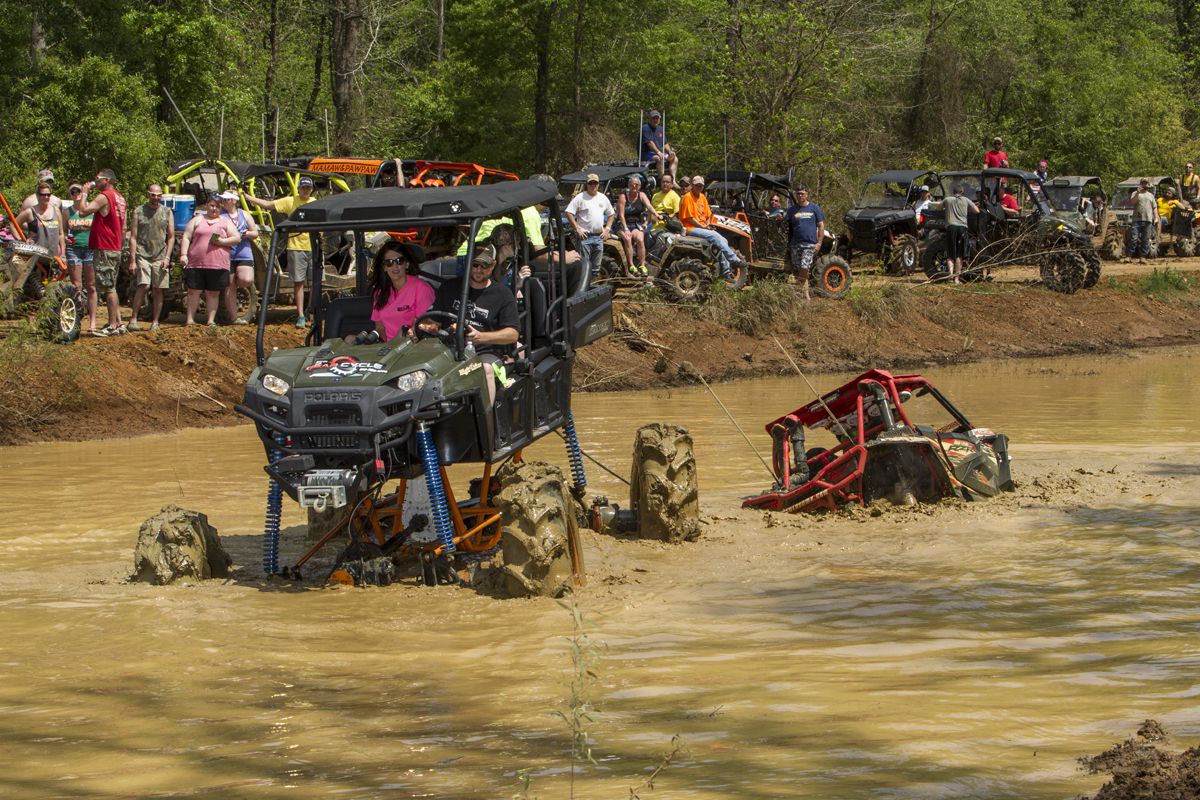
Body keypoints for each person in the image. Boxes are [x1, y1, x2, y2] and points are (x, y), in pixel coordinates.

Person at [421, 248, 519, 404]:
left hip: (485, 351)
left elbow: (513, 334)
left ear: (493, 266)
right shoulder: (450, 287)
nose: (478, 270)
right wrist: (426, 327)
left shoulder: (503, 294)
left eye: (484, 265)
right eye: (475, 264)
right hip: (449, 348)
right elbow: (434, 321)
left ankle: (487, 424)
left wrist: (481, 337)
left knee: (485, 370)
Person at [244, 175, 317, 327]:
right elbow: (268, 204)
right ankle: (301, 316)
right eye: (303, 187)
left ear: (311, 189)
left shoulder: (316, 203)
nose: (306, 190)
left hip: (314, 247)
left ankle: (311, 311)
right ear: (299, 188)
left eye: (308, 188)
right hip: (296, 246)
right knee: (299, 283)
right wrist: (248, 197)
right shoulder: (291, 201)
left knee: (316, 282)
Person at [347, 240, 435, 343]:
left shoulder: (422, 288)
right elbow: (380, 328)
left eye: (399, 261)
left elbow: (427, 324)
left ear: (406, 264)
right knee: (349, 339)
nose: (395, 266)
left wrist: (410, 333)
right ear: (384, 267)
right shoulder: (380, 292)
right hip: (387, 349)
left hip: (412, 347)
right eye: (389, 262)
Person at [76, 168, 128, 336]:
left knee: (108, 287)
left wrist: (84, 193)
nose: (96, 182)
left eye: (98, 179)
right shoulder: (120, 198)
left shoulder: (105, 196)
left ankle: (112, 325)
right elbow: (124, 225)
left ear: (107, 180)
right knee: (110, 285)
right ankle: (118, 323)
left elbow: (83, 211)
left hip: (105, 247)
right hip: (115, 246)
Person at [179, 192, 240, 326]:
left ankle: (210, 321)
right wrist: (183, 254)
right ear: (207, 205)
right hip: (196, 263)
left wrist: (222, 241)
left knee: (213, 293)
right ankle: (190, 320)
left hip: (218, 264)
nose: (214, 209)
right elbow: (187, 236)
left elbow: (236, 238)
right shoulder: (197, 219)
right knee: (193, 291)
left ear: (221, 208)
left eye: (218, 207)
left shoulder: (226, 222)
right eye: (212, 205)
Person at [127, 184, 175, 331]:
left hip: (160, 255)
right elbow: (133, 237)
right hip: (142, 253)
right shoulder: (139, 211)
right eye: (153, 195)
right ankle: (133, 319)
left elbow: (171, 237)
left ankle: (155, 322)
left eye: (158, 195)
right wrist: (132, 259)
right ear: (148, 195)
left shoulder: (167, 212)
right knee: (143, 285)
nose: (155, 198)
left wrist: (167, 258)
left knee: (158, 288)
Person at [678, 176, 741, 280]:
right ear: (692, 186)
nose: (699, 187)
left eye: (701, 185)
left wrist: (707, 225)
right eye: (697, 185)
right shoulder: (687, 197)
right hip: (690, 228)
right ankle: (734, 259)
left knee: (723, 240)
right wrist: (703, 227)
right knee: (714, 236)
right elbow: (689, 218)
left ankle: (726, 272)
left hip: (702, 227)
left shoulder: (702, 197)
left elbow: (708, 215)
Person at [219, 191, 259, 325]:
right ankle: (234, 317)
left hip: (243, 252)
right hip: (227, 253)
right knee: (229, 285)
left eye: (227, 199)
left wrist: (246, 233)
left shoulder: (244, 214)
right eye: (224, 200)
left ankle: (237, 285)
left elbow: (255, 233)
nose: (224, 202)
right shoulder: (220, 215)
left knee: (246, 279)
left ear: (234, 201)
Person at [565, 173, 614, 278]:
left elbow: (611, 214)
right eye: (590, 183)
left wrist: (607, 229)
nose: (593, 185)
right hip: (585, 237)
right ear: (587, 184)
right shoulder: (580, 197)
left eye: (595, 183)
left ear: (598, 184)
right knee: (584, 267)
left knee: (596, 268)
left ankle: (593, 288)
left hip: (599, 237)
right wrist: (577, 228)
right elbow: (569, 212)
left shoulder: (603, 197)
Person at [783, 186, 825, 300]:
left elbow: (821, 225)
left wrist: (819, 243)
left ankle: (801, 293)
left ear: (807, 194)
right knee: (797, 272)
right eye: (798, 194)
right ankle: (805, 297)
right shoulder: (792, 210)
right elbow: (785, 225)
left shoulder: (814, 208)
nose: (800, 196)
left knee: (804, 267)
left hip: (809, 244)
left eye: (802, 193)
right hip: (795, 245)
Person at [616, 176, 658, 277]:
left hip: (635, 224)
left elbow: (649, 207)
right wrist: (625, 229)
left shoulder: (642, 195)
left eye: (636, 184)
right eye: (632, 184)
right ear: (628, 185)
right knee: (628, 238)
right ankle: (631, 265)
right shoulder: (623, 196)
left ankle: (642, 265)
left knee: (640, 238)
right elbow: (621, 215)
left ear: (639, 186)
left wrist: (656, 214)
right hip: (622, 224)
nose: (634, 186)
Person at [937, 184, 979, 284]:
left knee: (951, 255)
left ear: (953, 192)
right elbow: (977, 211)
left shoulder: (947, 200)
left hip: (950, 228)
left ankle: (950, 276)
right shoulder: (966, 200)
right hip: (962, 229)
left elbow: (938, 208)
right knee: (960, 255)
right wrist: (967, 209)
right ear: (962, 192)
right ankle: (957, 279)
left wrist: (945, 208)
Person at [63, 182, 93, 303]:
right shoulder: (66, 212)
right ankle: (78, 306)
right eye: (73, 192)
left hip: (90, 248)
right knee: (77, 284)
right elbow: (63, 232)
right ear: (70, 195)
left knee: (91, 284)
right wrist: (65, 238)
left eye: (78, 191)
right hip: (73, 249)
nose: (76, 194)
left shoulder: (92, 209)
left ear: (84, 192)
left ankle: (91, 311)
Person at [640, 111, 677, 180]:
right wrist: (659, 152)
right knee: (660, 158)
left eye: (657, 118)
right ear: (650, 119)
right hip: (646, 154)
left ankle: (673, 180)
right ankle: (661, 178)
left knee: (674, 158)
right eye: (654, 118)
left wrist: (670, 152)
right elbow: (650, 143)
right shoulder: (645, 128)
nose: (655, 120)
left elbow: (665, 143)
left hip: (658, 153)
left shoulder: (660, 129)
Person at [1130, 179, 1157, 262]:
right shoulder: (1135, 193)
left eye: (1145, 183)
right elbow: (1132, 202)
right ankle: (1129, 255)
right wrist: (1138, 192)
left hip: (1148, 219)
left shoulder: (1151, 195)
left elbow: (1154, 207)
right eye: (1142, 183)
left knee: (1145, 239)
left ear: (1148, 184)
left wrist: (1155, 217)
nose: (1144, 185)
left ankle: (1143, 257)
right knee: (1134, 238)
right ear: (1140, 184)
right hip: (1137, 219)